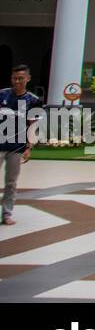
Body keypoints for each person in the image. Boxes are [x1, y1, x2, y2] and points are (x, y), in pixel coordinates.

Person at [1, 64, 42, 226]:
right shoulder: (2, 95)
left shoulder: (32, 100)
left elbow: (33, 125)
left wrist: (28, 147)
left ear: (27, 79)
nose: (16, 81)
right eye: (14, 78)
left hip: (16, 147)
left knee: (11, 182)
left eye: (20, 78)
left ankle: (7, 213)